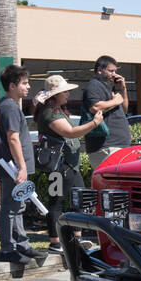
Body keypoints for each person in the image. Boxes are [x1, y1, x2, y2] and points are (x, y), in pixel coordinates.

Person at [33, 75, 102, 254]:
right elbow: (70, 132)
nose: (68, 94)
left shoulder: (57, 110)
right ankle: (55, 243)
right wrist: (94, 123)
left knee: (79, 199)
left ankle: (75, 239)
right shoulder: (49, 112)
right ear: (55, 95)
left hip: (70, 164)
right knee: (57, 202)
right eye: (64, 91)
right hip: (58, 165)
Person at [0, 63, 41, 265]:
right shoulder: (9, 108)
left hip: (15, 168)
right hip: (13, 169)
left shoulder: (9, 106)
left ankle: (22, 244)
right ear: (12, 86)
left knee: (18, 206)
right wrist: (21, 167)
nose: (28, 87)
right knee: (10, 208)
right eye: (24, 83)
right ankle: (8, 249)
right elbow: (13, 138)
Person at [82, 55, 130, 168]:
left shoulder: (109, 87)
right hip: (106, 148)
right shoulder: (94, 86)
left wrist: (122, 89)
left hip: (117, 146)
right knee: (111, 183)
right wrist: (115, 101)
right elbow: (95, 108)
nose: (114, 74)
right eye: (110, 71)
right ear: (99, 70)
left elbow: (124, 109)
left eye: (115, 71)